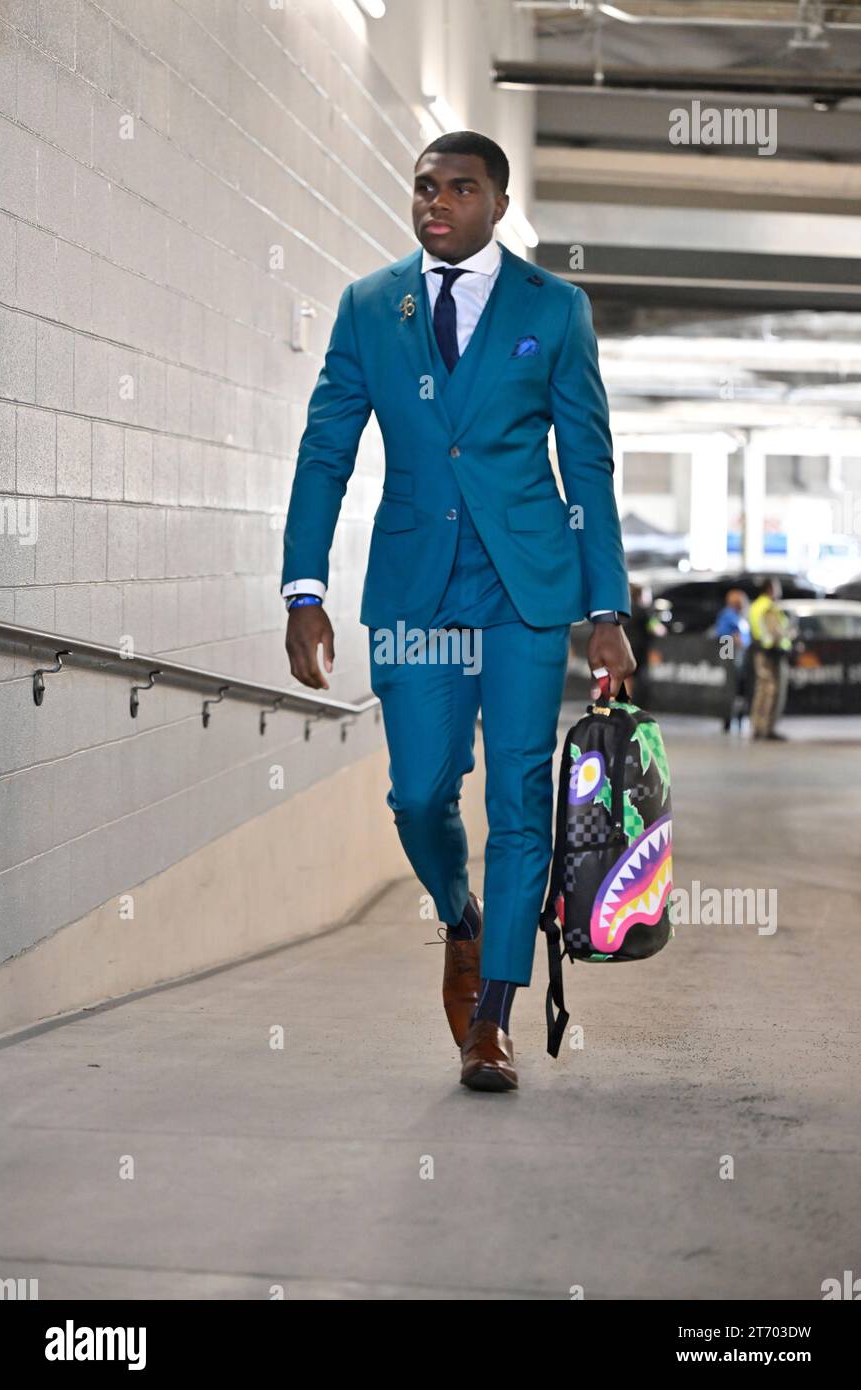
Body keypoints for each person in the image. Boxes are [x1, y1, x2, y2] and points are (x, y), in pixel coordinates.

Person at [281, 131, 634, 1092]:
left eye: (459, 188)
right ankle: (461, 915)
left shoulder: (555, 310)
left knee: (519, 801)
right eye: (425, 187)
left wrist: (607, 605)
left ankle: (493, 1016)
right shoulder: (370, 306)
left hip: (523, 591)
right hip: (415, 590)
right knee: (420, 791)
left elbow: (588, 465)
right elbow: (326, 452)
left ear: (497, 203)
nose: (436, 202)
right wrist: (303, 588)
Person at [748, 578, 792, 741]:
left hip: (760, 651)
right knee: (769, 690)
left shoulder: (756, 606)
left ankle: (757, 727)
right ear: (770, 588)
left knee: (761, 689)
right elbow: (775, 633)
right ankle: (766, 728)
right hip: (771, 653)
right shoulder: (768, 607)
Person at [713, 588, 751, 732]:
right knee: (730, 686)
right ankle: (727, 720)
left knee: (741, 689)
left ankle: (741, 718)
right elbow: (722, 635)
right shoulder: (727, 615)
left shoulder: (741, 616)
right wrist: (733, 641)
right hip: (730, 655)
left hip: (741, 656)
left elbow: (746, 636)